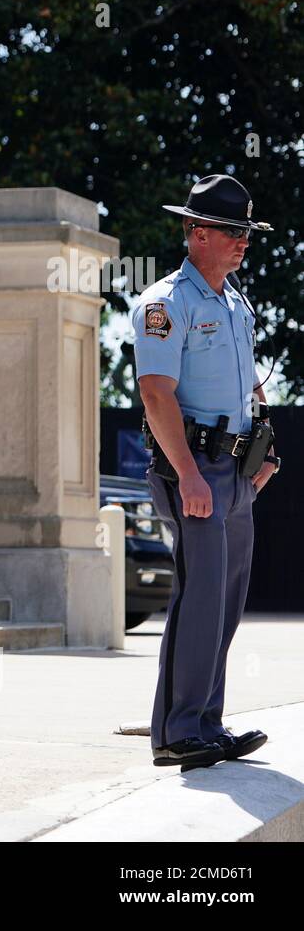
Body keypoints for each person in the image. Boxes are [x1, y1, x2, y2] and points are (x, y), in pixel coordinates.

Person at [136, 174, 278, 771]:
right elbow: (156, 394)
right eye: (232, 231)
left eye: (247, 231)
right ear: (196, 234)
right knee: (199, 598)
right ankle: (176, 731)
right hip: (194, 468)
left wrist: (264, 445)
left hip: (237, 471)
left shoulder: (234, 300)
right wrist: (188, 473)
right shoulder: (166, 302)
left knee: (226, 599)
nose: (243, 241)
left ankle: (208, 722)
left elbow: (250, 384)